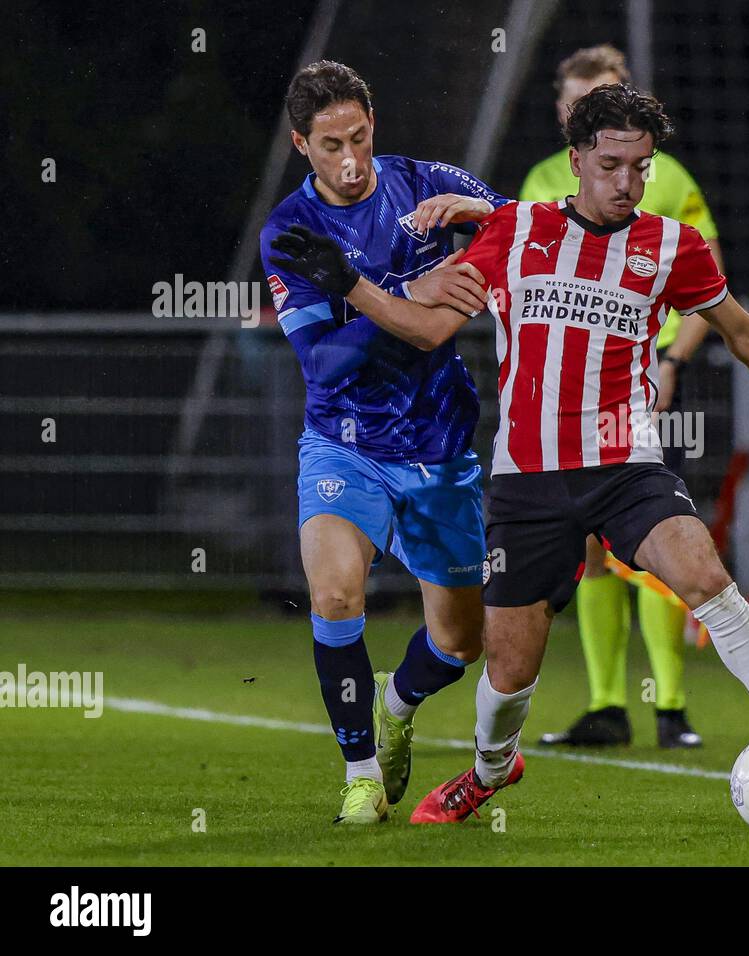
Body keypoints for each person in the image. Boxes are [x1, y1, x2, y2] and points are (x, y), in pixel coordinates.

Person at [388, 83, 749, 823]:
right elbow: (428, 317)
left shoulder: (671, 245)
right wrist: (361, 286)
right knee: (510, 668)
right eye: (612, 164)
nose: (628, 182)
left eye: (641, 166)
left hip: (627, 465)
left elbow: (741, 330)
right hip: (528, 481)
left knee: (706, 576)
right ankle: (490, 772)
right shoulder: (515, 231)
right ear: (577, 158)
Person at [259, 60, 508, 824]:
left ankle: (397, 704)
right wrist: (409, 293)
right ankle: (361, 775)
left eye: (360, 137)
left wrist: (480, 208)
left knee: (461, 643)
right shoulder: (290, 233)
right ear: (302, 143)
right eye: (331, 144)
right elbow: (323, 360)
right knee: (334, 594)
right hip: (345, 443)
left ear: (374, 123)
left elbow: (537, 231)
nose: (351, 159)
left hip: (439, 444)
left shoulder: (426, 184)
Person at [520, 43, 723, 749]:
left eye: (605, 96)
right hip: (564, 405)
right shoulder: (541, 181)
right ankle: (608, 705)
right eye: (579, 105)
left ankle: (671, 706)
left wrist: (670, 361)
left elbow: (712, 294)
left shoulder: (666, 181)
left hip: (644, 387)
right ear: (562, 115)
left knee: (661, 542)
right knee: (593, 551)